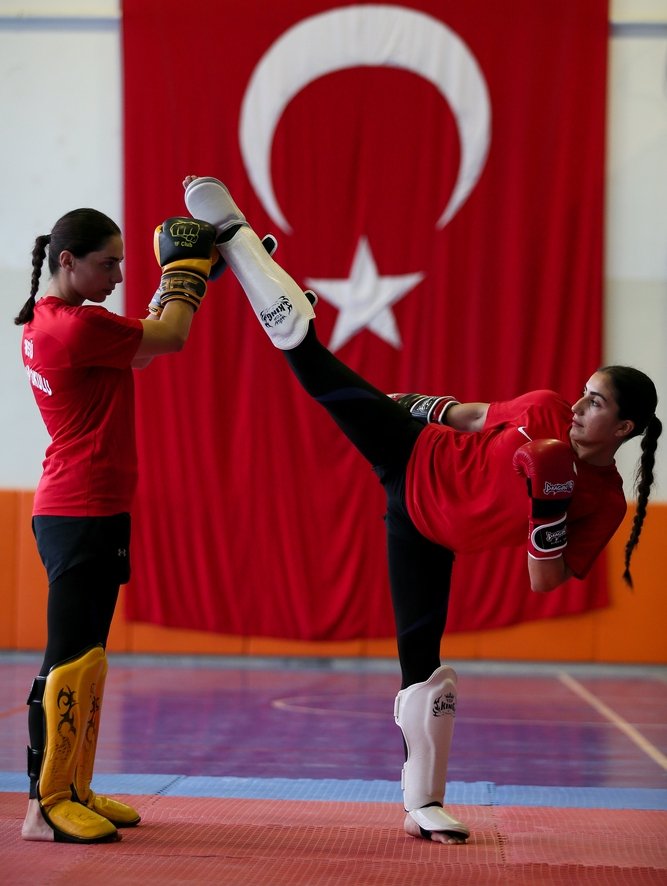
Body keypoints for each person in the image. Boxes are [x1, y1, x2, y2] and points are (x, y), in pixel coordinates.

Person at [183, 175, 662, 845]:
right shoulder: (545, 407)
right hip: (413, 455)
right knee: (316, 365)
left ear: (625, 428)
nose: (580, 407)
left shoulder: (603, 502)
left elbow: (545, 584)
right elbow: (472, 416)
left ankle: (421, 805)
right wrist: (414, 406)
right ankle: (236, 240)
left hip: (427, 530)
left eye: (597, 404)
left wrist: (546, 511)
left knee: (424, 673)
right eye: (584, 395)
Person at [15, 208, 220, 843]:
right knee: (65, 664)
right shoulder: (74, 328)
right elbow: (172, 339)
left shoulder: (63, 321)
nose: (119, 275)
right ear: (67, 261)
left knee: (87, 661)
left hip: (90, 508)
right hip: (78, 509)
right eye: (108, 264)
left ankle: (73, 785)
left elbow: (142, 353)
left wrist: (175, 286)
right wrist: (187, 272)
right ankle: (41, 807)